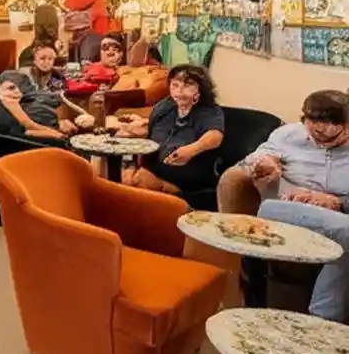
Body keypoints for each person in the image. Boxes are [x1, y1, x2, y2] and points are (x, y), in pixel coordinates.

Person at [234, 90, 349, 322]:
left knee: (345, 234)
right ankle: (323, 321)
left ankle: (318, 322)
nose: (323, 137)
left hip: (338, 216)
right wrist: (265, 164)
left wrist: (337, 202)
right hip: (284, 210)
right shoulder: (287, 135)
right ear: (304, 120)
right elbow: (255, 159)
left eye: (334, 133)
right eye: (315, 129)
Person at [119, 64, 224, 194]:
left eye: (187, 85)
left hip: (190, 170)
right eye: (175, 85)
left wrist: (191, 150)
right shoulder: (164, 107)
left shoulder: (209, 110)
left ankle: (176, 196)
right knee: (127, 178)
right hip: (157, 164)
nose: (180, 91)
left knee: (141, 180)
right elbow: (150, 134)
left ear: (200, 89)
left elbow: (215, 136)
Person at [0, 70, 76, 142]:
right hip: (18, 146)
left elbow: (25, 129)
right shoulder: (6, 102)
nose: (16, 91)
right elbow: (27, 128)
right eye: (11, 88)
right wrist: (57, 134)